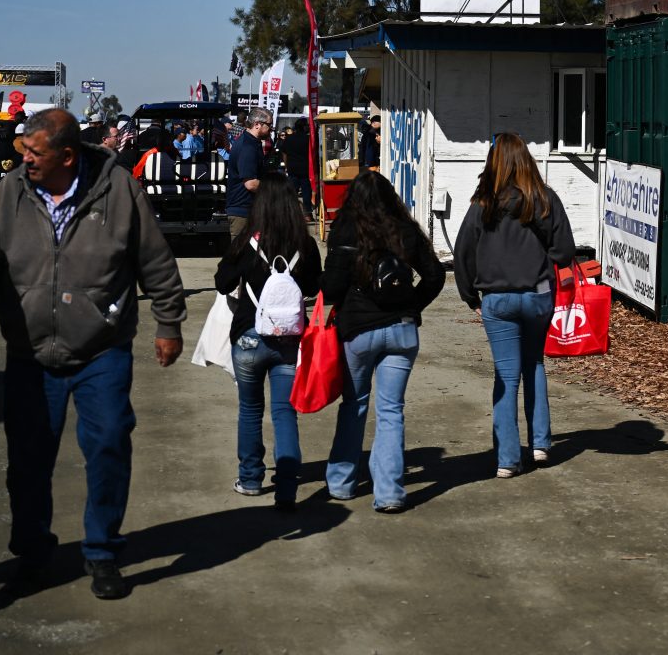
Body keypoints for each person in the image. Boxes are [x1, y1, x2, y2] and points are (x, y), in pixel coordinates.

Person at [0, 108, 186, 600]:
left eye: (34, 152)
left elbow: (154, 259)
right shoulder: (10, 192)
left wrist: (169, 323)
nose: (25, 160)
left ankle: (103, 551)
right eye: (23, 150)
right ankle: (32, 552)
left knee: (108, 445)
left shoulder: (119, 189)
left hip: (101, 350)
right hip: (28, 352)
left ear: (67, 156)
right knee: (28, 459)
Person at [453, 133, 578, 478]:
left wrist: (470, 296)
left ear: (494, 162)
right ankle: (540, 444)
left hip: (497, 298)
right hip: (537, 295)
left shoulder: (483, 205)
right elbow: (565, 251)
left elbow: (463, 253)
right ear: (526, 160)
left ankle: (507, 460)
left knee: (506, 376)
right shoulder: (545, 199)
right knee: (534, 363)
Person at [320, 171, 446, 513]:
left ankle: (341, 483)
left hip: (359, 330)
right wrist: (412, 305)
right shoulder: (404, 229)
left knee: (355, 404)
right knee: (391, 410)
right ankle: (390, 492)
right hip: (402, 330)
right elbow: (435, 275)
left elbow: (332, 289)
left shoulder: (346, 229)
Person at [213, 179, 321, 506]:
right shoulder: (305, 244)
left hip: (248, 337)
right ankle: (287, 489)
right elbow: (314, 287)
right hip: (288, 340)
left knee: (250, 410)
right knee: (285, 412)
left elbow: (222, 282)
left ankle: (250, 478)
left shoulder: (246, 241)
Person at [224, 109, 271, 236]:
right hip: (242, 212)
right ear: (257, 124)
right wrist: (275, 189)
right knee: (242, 248)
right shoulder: (248, 146)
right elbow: (250, 184)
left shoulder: (252, 142)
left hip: (250, 209)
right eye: (269, 125)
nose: (271, 129)